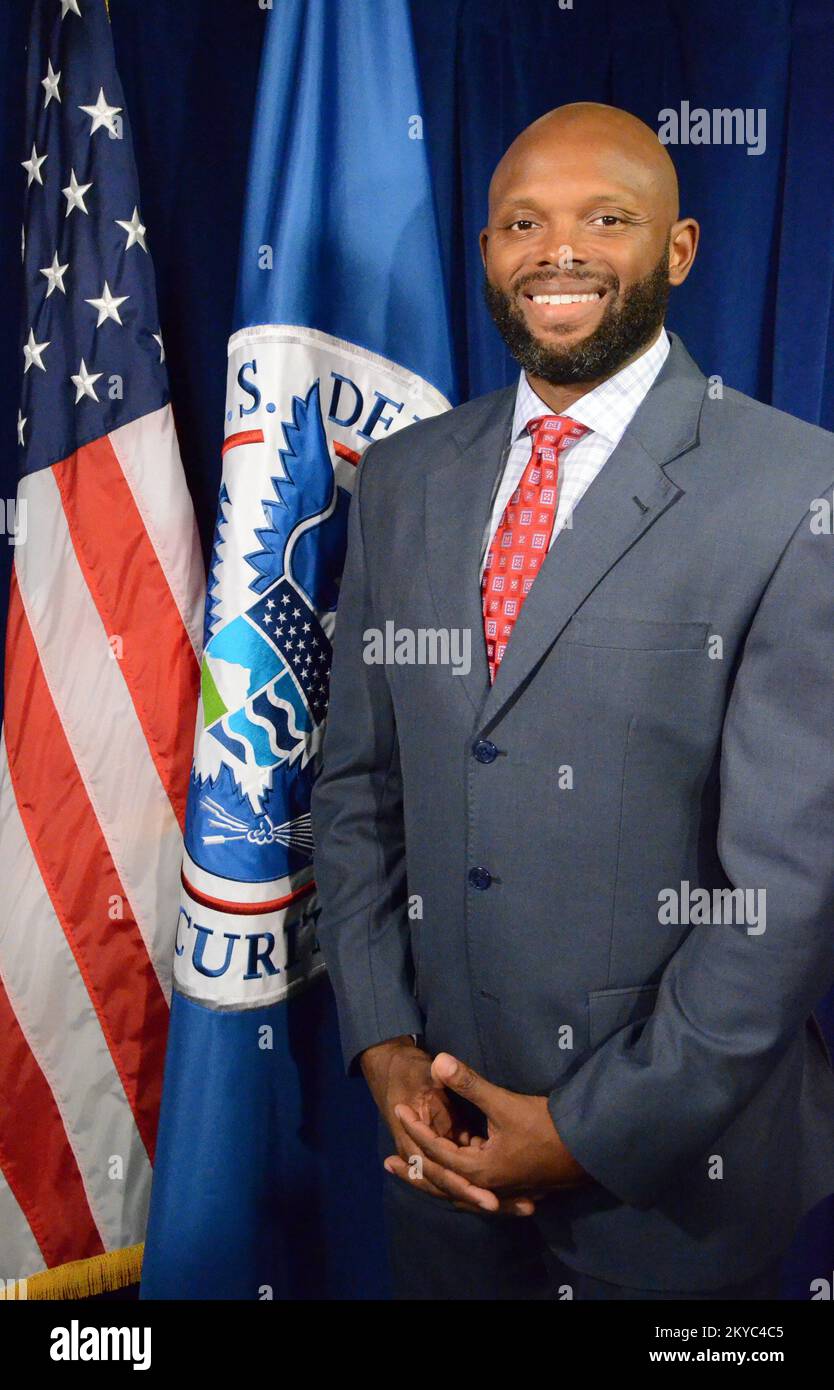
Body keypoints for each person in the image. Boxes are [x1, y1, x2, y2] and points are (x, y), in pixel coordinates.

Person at [310, 102, 834, 1300]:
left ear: (679, 249)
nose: (560, 251)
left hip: (675, 1192)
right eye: (523, 223)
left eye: (607, 219)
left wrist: (589, 1128)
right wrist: (384, 1043)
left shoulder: (799, 489)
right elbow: (358, 789)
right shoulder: (403, 478)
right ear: (487, 249)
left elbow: (789, 894)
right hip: (436, 1161)